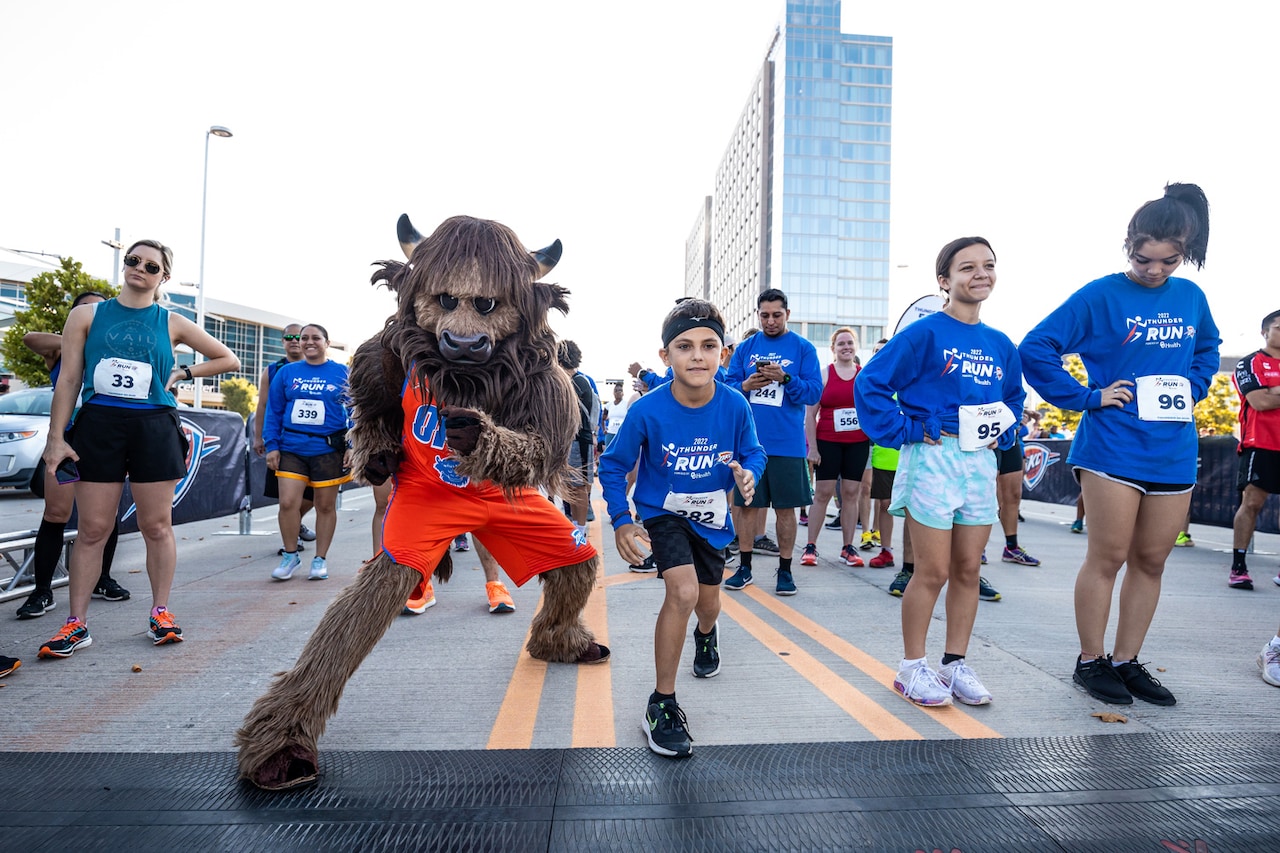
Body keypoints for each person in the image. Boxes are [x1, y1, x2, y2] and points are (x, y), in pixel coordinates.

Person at [1020, 183, 1219, 707]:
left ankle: (1129, 661)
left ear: (1184, 249)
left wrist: (1195, 387)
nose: (1155, 271)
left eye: (1169, 261)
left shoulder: (1191, 297)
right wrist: (1087, 396)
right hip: (1112, 446)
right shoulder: (1100, 295)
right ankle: (1092, 661)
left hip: (1173, 447)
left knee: (1152, 560)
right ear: (1128, 243)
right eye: (1144, 258)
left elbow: (1207, 350)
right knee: (1108, 556)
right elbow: (1035, 348)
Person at [38, 239, 240, 658]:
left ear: (162, 277)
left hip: (153, 425)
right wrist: (56, 439)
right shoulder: (85, 315)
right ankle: (76, 623)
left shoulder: (172, 321)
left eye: (151, 266)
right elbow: (69, 380)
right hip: (99, 424)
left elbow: (227, 359)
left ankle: (160, 611)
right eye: (133, 260)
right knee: (93, 528)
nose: (139, 269)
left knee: (156, 526)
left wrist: (183, 371)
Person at [856, 237, 1024, 707]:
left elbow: (1014, 398)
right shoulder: (924, 333)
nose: (981, 274)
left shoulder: (999, 343)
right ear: (944, 281)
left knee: (968, 569)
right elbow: (871, 383)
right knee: (931, 570)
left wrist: (1003, 433)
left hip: (978, 462)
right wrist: (903, 429)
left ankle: (954, 664)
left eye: (988, 265)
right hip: (932, 457)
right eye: (967, 267)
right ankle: (912, 668)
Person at [600, 298, 765, 758]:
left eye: (709, 345)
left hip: (713, 519)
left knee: (708, 603)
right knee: (683, 592)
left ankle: (706, 636)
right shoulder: (647, 410)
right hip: (662, 514)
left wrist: (749, 473)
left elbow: (754, 452)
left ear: (724, 354)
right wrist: (621, 521)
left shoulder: (734, 405)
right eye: (684, 346)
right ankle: (663, 703)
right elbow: (612, 466)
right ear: (665, 356)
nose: (697, 355)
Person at [16, 291, 129, 620]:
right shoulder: (61, 348)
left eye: (99, 310)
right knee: (55, 513)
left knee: (106, 517)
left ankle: (102, 580)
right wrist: (77, 334)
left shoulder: (115, 349)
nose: (93, 315)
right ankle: (42, 591)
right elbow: (29, 338)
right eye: (86, 310)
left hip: (104, 439)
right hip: (66, 440)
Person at [723, 289, 822, 595]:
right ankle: (746, 567)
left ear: (787, 314)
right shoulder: (746, 348)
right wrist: (745, 385)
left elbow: (814, 392)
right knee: (747, 507)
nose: (770, 321)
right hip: (750, 444)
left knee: (786, 510)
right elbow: (724, 390)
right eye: (764, 315)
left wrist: (786, 379)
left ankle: (786, 569)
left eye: (776, 315)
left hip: (788, 444)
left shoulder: (803, 348)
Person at [264, 323, 351, 582]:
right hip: (292, 447)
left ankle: (320, 559)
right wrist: (272, 445)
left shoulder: (342, 372)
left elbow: (357, 410)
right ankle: (290, 555)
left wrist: (352, 444)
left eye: (315, 338)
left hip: (327, 449)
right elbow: (274, 411)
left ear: (327, 342)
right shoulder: (287, 373)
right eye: (304, 338)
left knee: (325, 506)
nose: (308, 342)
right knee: (288, 503)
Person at [801, 328, 870, 568]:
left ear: (855, 347)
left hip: (857, 444)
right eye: (841, 344)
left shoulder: (864, 376)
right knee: (823, 493)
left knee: (851, 494)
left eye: (850, 343)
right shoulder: (824, 375)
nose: (846, 347)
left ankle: (848, 547)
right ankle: (810, 546)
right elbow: (811, 414)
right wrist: (813, 449)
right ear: (833, 349)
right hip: (828, 442)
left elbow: (872, 411)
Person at [253, 323, 318, 551]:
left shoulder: (319, 368)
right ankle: (291, 541)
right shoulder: (273, 371)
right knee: (287, 498)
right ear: (283, 342)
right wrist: (259, 437)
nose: (293, 340)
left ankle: (295, 523)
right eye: (288, 337)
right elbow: (262, 406)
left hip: (316, 445)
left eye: (297, 336)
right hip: (282, 442)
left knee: (314, 496)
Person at [1228, 308, 1280, 590]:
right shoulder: (1249, 363)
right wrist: (1267, 394)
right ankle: (1238, 567)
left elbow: (1269, 396)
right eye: (1279, 328)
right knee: (1252, 504)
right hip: (1260, 444)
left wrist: (1274, 391)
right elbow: (1259, 401)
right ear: (1265, 332)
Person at [558, 340, 598, 538]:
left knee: (579, 485)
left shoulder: (579, 381)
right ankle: (574, 526)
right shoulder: (569, 380)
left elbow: (589, 416)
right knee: (569, 486)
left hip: (579, 440)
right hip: (569, 441)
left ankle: (580, 530)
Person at [996, 425, 1041, 566]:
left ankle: (1011, 547)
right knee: (985, 494)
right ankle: (978, 549)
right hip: (985, 432)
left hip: (1010, 435)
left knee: (1014, 495)